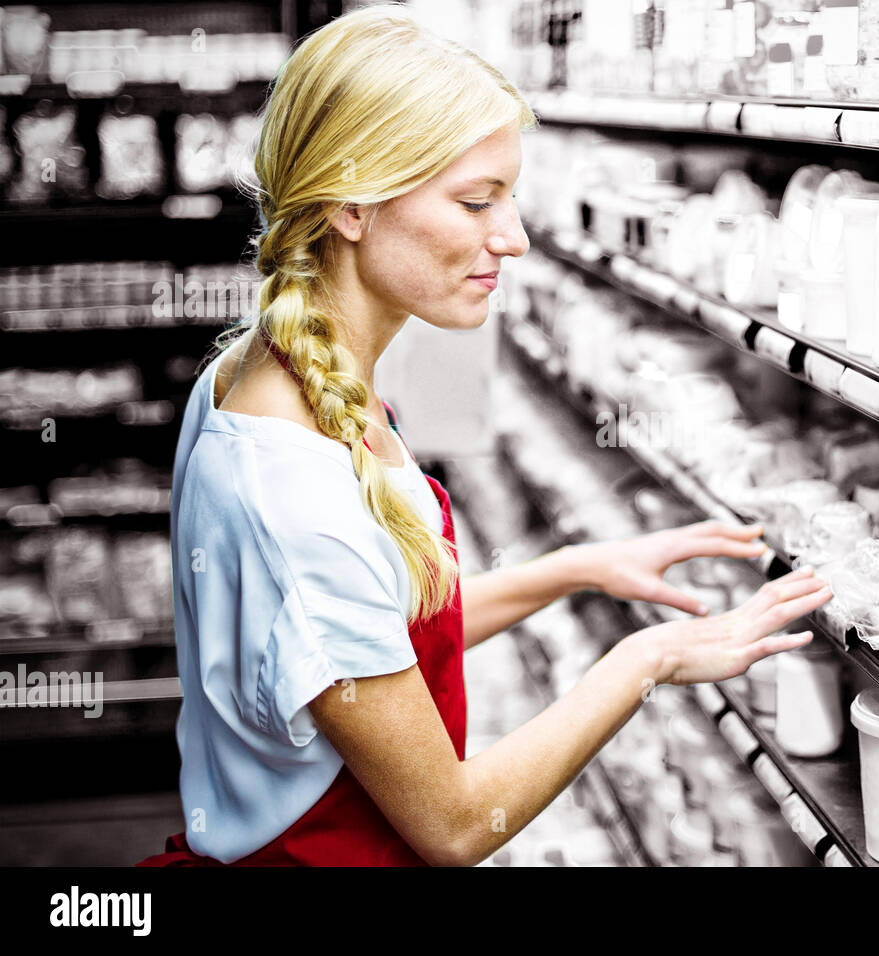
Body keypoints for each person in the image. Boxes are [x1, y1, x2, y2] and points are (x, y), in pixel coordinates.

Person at [138, 4, 831, 867]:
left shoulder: (266, 376)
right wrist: (645, 660)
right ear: (352, 205)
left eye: (510, 197)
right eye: (476, 201)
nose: (516, 238)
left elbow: (366, 643)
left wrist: (578, 568)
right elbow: (456, 825)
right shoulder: (293, 488)